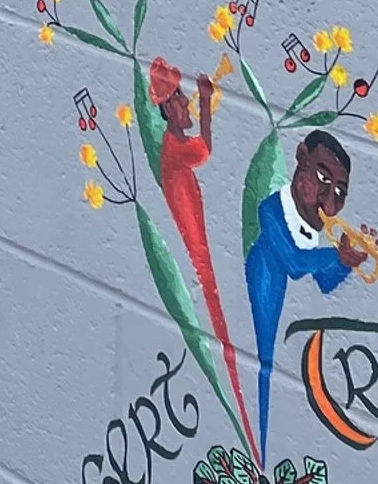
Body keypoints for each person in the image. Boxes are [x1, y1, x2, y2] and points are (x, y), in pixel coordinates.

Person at [148, 58, 253, 457]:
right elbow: (205, 150)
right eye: (179, 98)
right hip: (199, 259)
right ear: (166, 109)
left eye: (184, 95)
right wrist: (208, 104)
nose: (186, 102)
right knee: (218, 328)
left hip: (203, 255)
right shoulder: (175, 148)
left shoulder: (172, 145)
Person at [243, 129, 358, 459]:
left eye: (339, 192)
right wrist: (334, 256)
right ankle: (259, 452)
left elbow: (324, 283)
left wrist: (349, 262)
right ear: (301, 157)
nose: (328, 197)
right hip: (264, 291)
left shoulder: (314, 230)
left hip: (290, 329)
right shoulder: (272, 209)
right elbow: (293, 262)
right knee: (262, 363)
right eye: (323, 177)